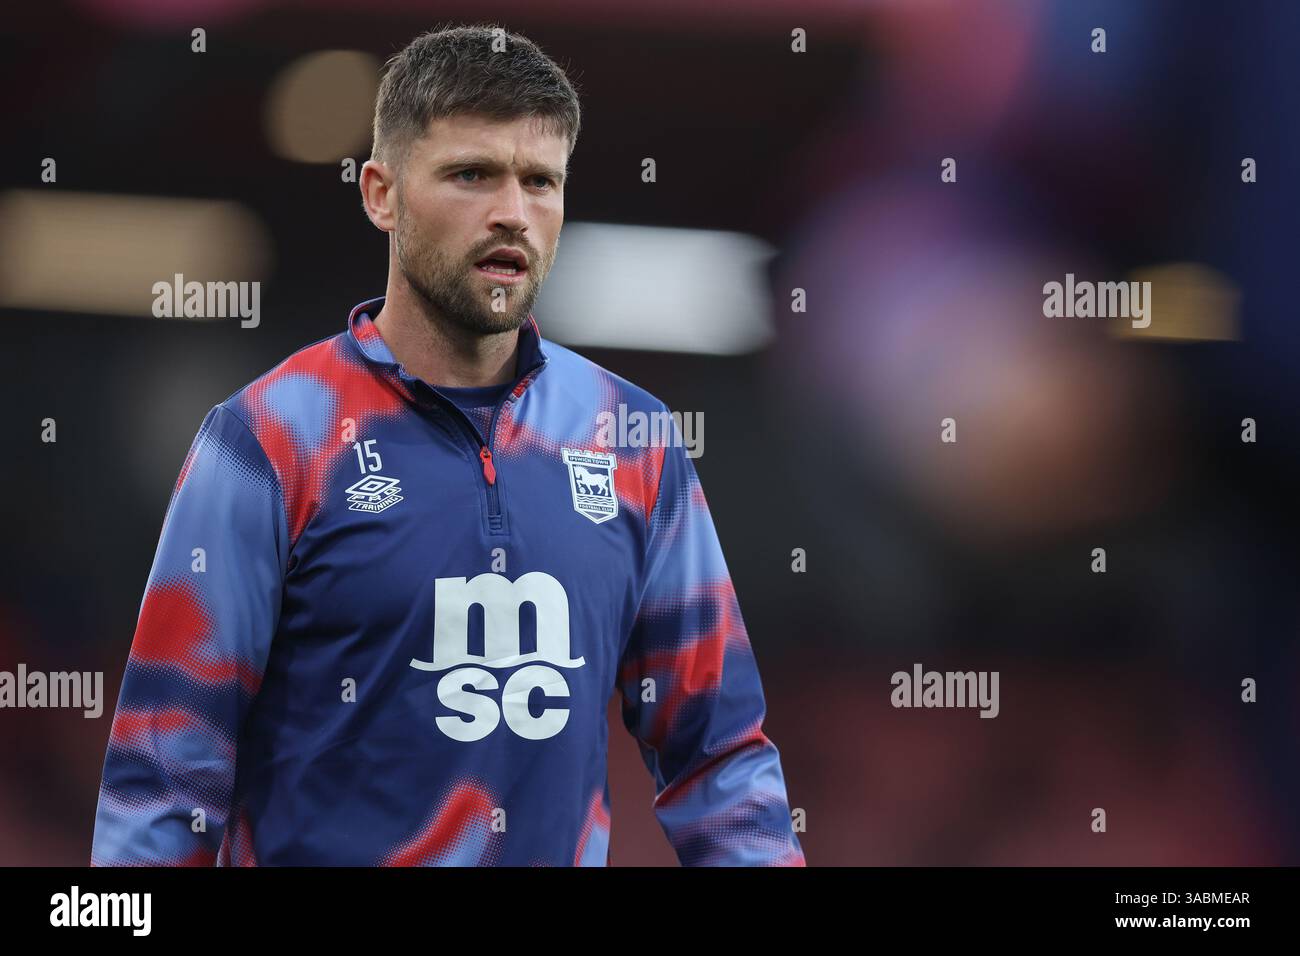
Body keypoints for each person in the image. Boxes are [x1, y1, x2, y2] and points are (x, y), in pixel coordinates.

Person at [91, 23, 804, 867]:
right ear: (381, 194)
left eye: (541, 181)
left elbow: (720, 755)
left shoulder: (634, 441)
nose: (513, 211)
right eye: (472, 175)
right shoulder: (268, 440)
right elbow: (167, 774)